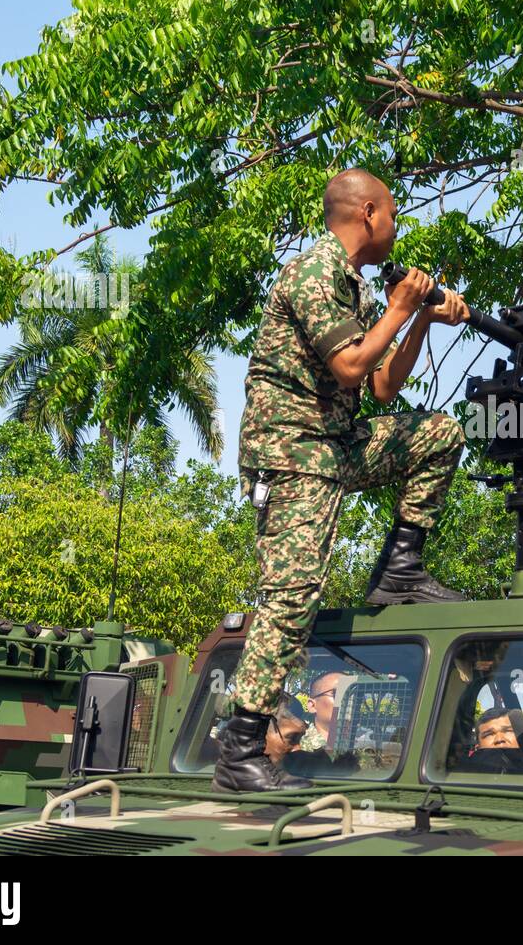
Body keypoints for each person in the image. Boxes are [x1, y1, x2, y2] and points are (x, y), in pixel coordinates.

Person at [214, 168, 470, 793]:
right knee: (293, 593)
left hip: (335, 446)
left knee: (438, 433)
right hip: (294, 452)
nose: (396, 227)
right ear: (369, 213)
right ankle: (241, 747)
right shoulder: (310, 272)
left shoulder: (354, 288)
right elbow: (352, 366)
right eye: (393, 214)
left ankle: (400, 570)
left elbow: (383, 385)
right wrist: (403, 305)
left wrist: (419, 323)